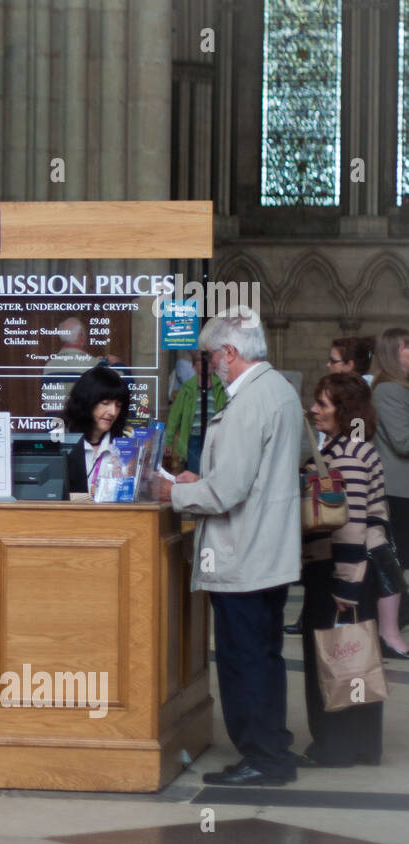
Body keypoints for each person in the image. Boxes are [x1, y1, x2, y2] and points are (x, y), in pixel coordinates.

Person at [155, 306, 304, 786]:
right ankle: (272, 749)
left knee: (244, 659)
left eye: (210, 356)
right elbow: (251, 476)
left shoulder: (249, 400)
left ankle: (262, 758)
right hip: (268, 550)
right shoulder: (278, 389)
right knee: (263, 655)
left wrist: (174, 492)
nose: (208, 366)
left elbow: (227, 493)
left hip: (244, 551)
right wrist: (209, 479)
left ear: (231, 353)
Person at [298, 373, 386, 766]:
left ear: (345, 411)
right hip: (351, 570)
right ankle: (362, 745)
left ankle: (335, 747)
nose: (314, 410)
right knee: (354, 656)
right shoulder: (351, 446)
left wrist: (346, 585)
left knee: (334, 657)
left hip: (341, 569)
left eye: (324, 404)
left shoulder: (347, 454)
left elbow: (352, 524)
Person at [370, 327, 409, 645]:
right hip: (398, 489)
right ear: (391, 354)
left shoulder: (400, 388)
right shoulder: (388, 391)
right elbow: (402, 440)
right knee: (398, 561)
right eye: (407, 347)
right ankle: (390, 627)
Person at [63, 364, 130, 494]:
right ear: (86, 402)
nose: (113, 411)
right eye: (105, 403)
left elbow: (158, 481)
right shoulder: (61, 441)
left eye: (118, 405)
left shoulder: (124, 444)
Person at [165, 351, 227, 474]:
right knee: (196, 472)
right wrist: (168, 441)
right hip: (194, 438)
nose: (206, 365)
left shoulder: (220, 387)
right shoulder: (187, 388)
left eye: (209, 362)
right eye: (201, 362)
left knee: (214, 472)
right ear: (194, 366)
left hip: (216, 437)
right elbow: (174, 416)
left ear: (213, 365)